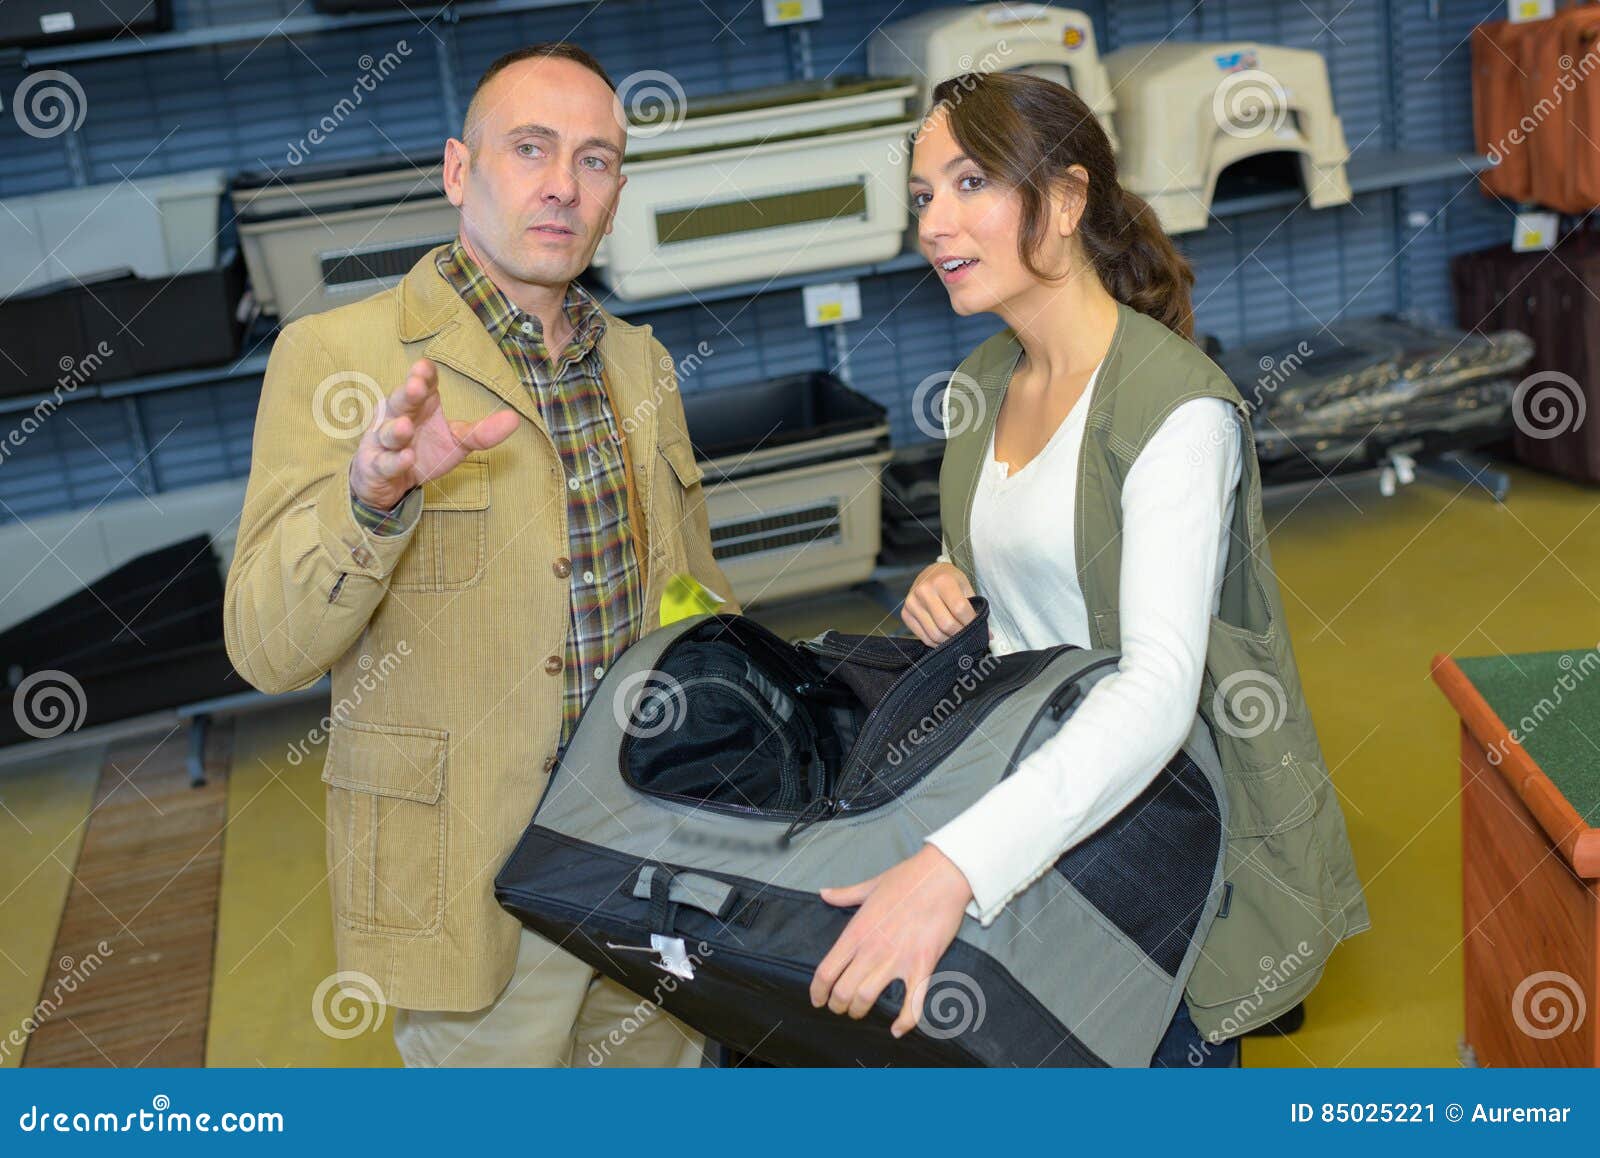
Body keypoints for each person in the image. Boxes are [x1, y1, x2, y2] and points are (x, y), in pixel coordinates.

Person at [808, 71, 1369, 1066]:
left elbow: (1154, 692)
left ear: (1065, 200)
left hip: (1153, 832)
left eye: (972, 182)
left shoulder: (1175, 411)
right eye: (924, 196)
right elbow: (1015, 543)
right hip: (1025, 803)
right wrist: (947, 574)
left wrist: (951, 869)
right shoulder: (983, 383)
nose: (936, 222)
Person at [224, 41, 737, 1067]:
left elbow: (688, 599)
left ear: (618, 189)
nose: (562, 184)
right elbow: (263, 647)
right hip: (469, 886)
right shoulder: (340, 358)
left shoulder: (639, 365)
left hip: (647, 864)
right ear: (460, 171)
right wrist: (370, 501)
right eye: (530, 148)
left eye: (595, 159)